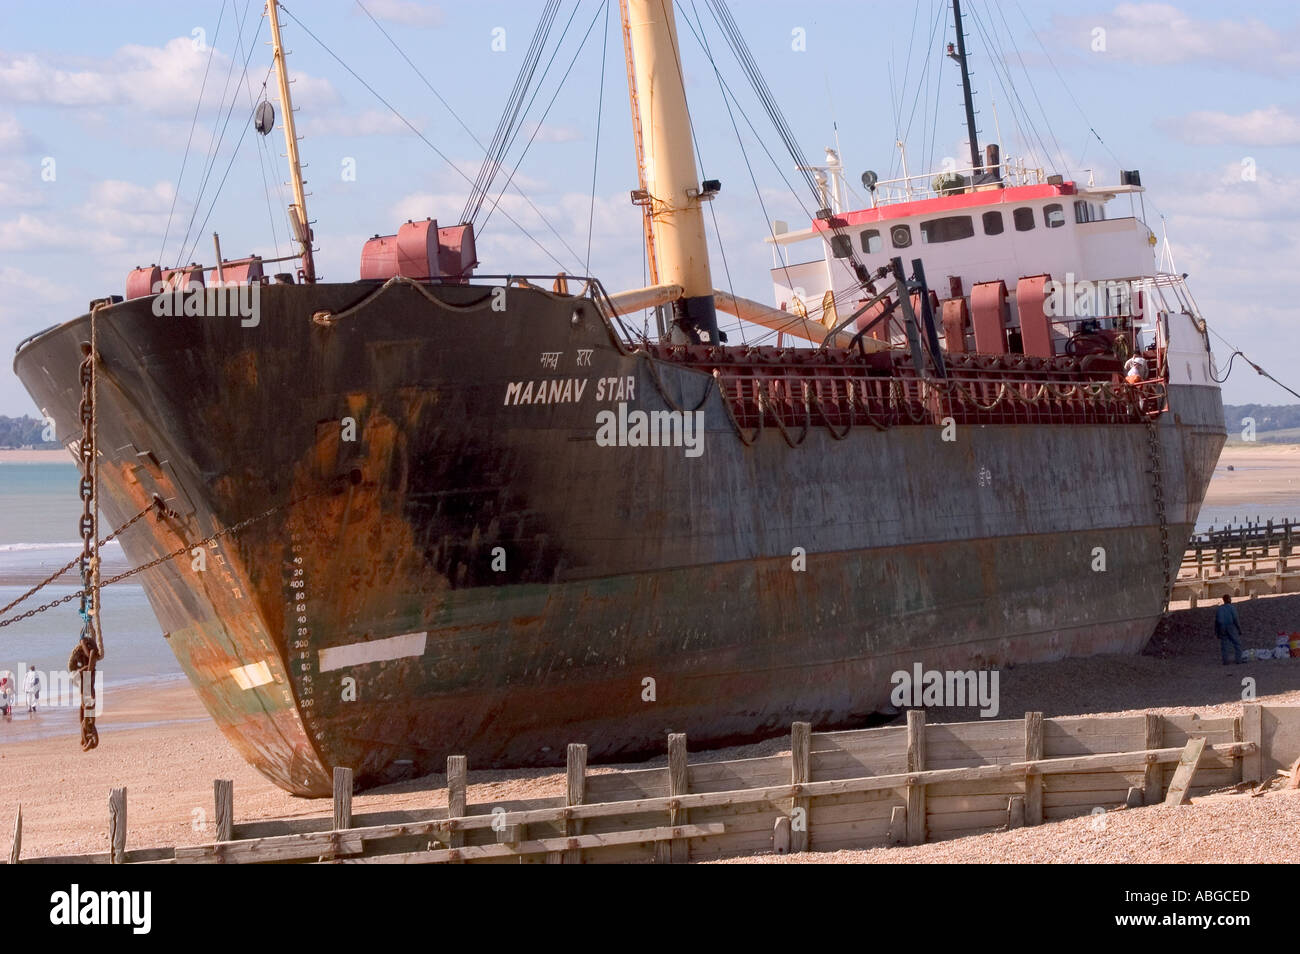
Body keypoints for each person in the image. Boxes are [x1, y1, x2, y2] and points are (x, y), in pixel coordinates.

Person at [1214, 594, 1246, 665]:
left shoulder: (1220, 608)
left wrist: (1216, 631)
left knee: (1224, 645)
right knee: (1237, 643)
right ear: (1228, 599)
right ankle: (1238, 660)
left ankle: (1225, 661)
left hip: (1222, 627)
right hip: (1230, 626)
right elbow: (1235, 619)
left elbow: (1216, 621)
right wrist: (1239, 629)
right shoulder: (1232, 608)